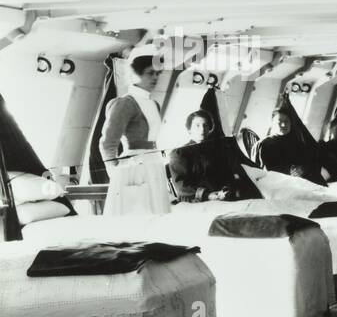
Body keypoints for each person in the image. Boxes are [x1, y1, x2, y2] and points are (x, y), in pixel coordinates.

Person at [100, 55, 172, 215]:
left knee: (157, 214)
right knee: (138, 215)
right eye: (149, 73)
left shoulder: (154, 104)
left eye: (156, 74)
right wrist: (115, 172)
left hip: (153, 164)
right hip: (133, 167)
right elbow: (107, 142)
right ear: (135, 75)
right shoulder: (125, 103)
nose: (154, 78)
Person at [168, 110, 250, 202]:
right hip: (196, 201)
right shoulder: (179, 153)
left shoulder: (215, 150)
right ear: (189, 130)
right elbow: (182, 187)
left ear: (209, 128)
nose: (202, 129)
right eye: (197, 126)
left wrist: (225, 189)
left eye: (205, 125)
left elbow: (226, 174)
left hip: (221, 198)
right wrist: (208, 195)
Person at [256, 106, 325, 184]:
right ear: (272, 123)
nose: (283, 124)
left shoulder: (296, 142)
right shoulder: (265, 144)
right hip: (277, 183)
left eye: (287, 121)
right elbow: (267, 169)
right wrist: (289, 170)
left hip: (298, 180)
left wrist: (302, 169)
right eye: (280, 121)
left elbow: (307, 161)